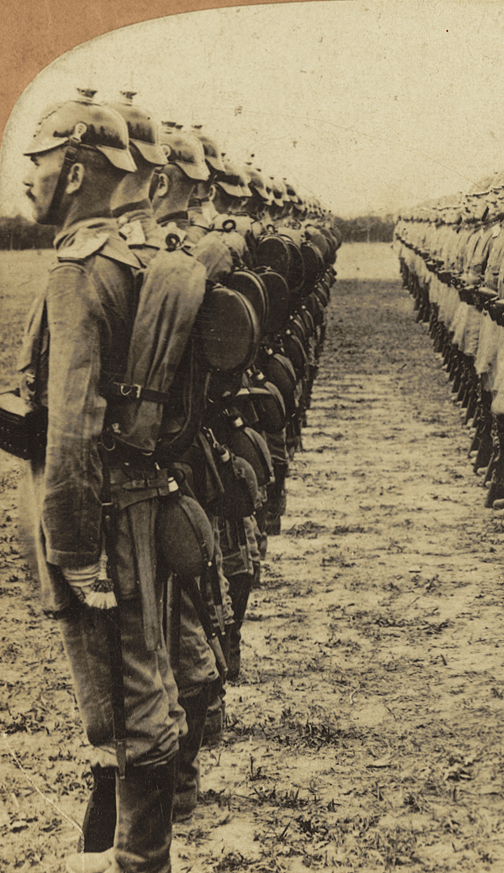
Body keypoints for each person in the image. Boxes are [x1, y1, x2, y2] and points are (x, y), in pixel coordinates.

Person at [18, 88, 184, 873]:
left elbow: (74, 423)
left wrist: (76, 551)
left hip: (100, 510)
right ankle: (134, 848)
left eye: (40, 158)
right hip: (141, 495)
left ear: (78, 168)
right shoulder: (137, 253)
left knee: (125, 695)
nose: (29, 175)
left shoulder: (80, 268)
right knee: (143, 675)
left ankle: (138, 859)